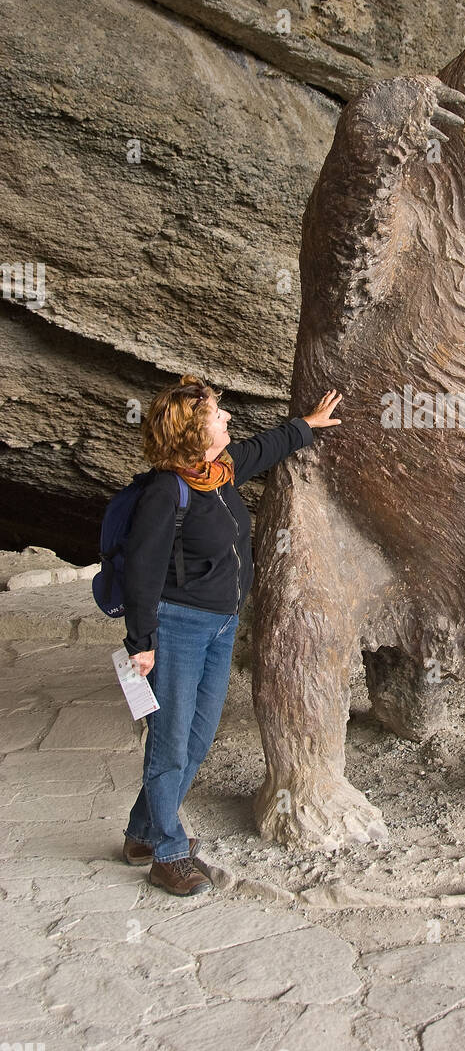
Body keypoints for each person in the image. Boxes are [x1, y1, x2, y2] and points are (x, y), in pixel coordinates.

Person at [120, 374, 341, 895]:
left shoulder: (217, 473)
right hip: (178, 628)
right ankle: (168, 854)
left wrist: (304, 427)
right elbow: (142, 573)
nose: (226, 419)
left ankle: (141, 833)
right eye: (217, 415)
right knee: (171, 740)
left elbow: (260, 449)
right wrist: (141, 642)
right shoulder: (163, 491)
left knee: (197, 736)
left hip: (222, 623)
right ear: (194, 432)